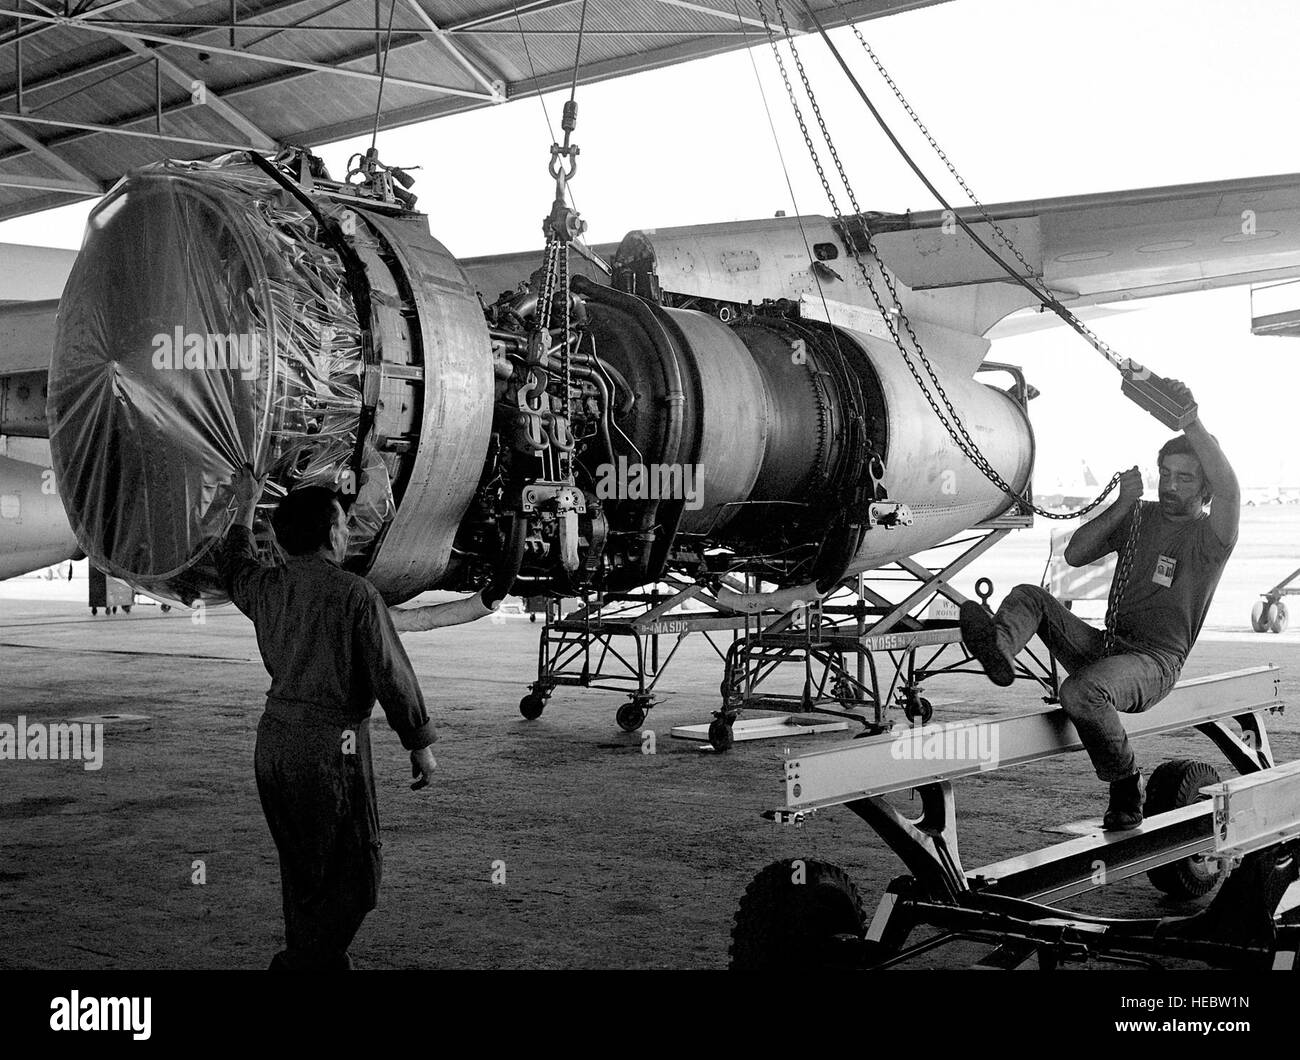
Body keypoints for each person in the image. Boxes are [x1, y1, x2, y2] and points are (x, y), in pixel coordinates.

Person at [960, 380, 1239, 830]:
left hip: (1153, 661)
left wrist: (1191, 422)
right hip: (1108, 645)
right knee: (1031, 596)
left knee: (1081, 692)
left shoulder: (1211, 537)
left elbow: (1230, 490)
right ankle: (1000, 649)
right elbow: (1075, 554)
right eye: (1166, 474)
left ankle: (1126, 784)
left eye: (1184, 478)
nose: (1170, 485)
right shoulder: (1139, 514)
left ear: (1204, 489)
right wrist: (1122, 502)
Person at [217, 468, 438, 969]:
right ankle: (307, 964)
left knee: (304, 871)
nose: (346, 533)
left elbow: (233, 565)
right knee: (357, 875)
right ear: (329, 535)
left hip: (274, 746)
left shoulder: (266, 587)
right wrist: (419, 741)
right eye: (342, 525)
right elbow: (390, 672)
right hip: (329, 749)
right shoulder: (355, 594)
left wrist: (245, 505)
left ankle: (310, 958)